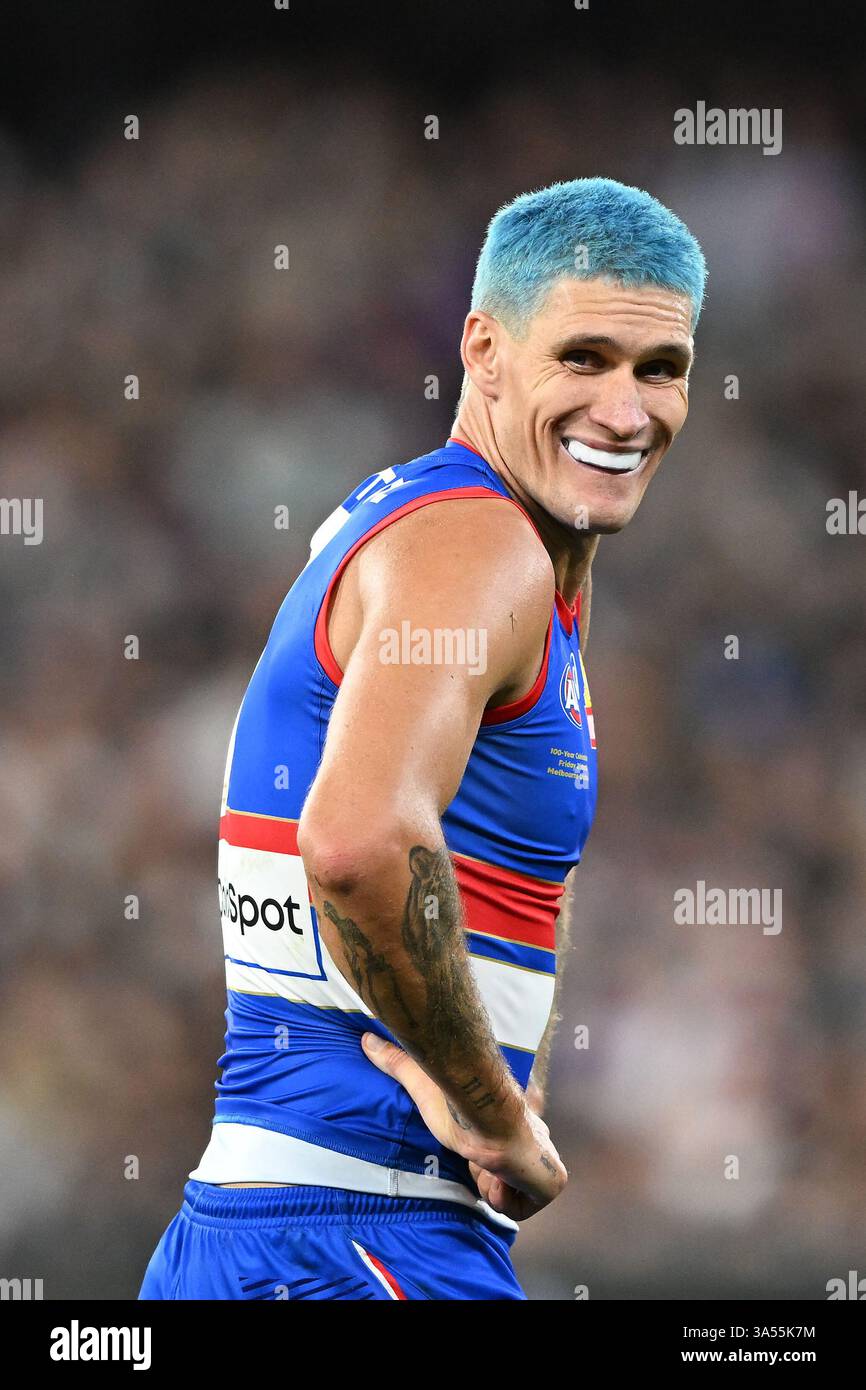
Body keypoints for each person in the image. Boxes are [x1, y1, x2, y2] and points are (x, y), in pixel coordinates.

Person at [139, 176, 705, 1300]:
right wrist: (493, 1108)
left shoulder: (452, 534)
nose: (626, 411)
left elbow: (472, 857)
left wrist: (489, 1079)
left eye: (661, 370)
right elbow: (354, 840)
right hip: (351, 1239)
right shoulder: (477, 544)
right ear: (483, 350)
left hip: (284, 1235)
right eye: (582, 358)